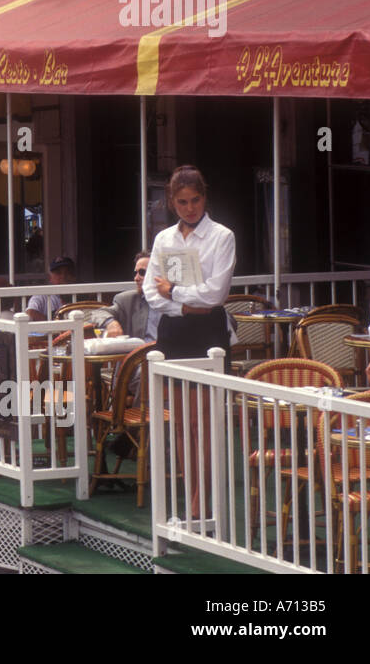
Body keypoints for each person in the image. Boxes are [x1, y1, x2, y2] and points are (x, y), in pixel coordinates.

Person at [143, 165, 235, 523]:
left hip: (208, 332)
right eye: (182, 202)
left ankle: (203, 506)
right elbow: (152, 292)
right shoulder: (164, 239)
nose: (189, 208)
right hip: (175, 333)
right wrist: (183, 303)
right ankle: (191, 503)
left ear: (205, 198)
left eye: (195, 200)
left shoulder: (222, 236)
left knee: (204, 422)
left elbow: (216, 293)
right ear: (171, 202)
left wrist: (177, 291)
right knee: (181, 423)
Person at [91, 252, 158, 341]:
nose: (136, 278)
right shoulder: (127, 300)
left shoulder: (175, 302)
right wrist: (111, 323)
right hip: (141, 353)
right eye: (136, 273)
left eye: (142, 272)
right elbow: (98, 313)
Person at [26, 256, 76, 322]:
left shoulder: (83, 294)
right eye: (58, 273)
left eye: (68, 272)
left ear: (74, 276)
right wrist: (55, 321)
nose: (63, 276)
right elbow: (30, 313)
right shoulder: (42, 296)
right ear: (50, 278)